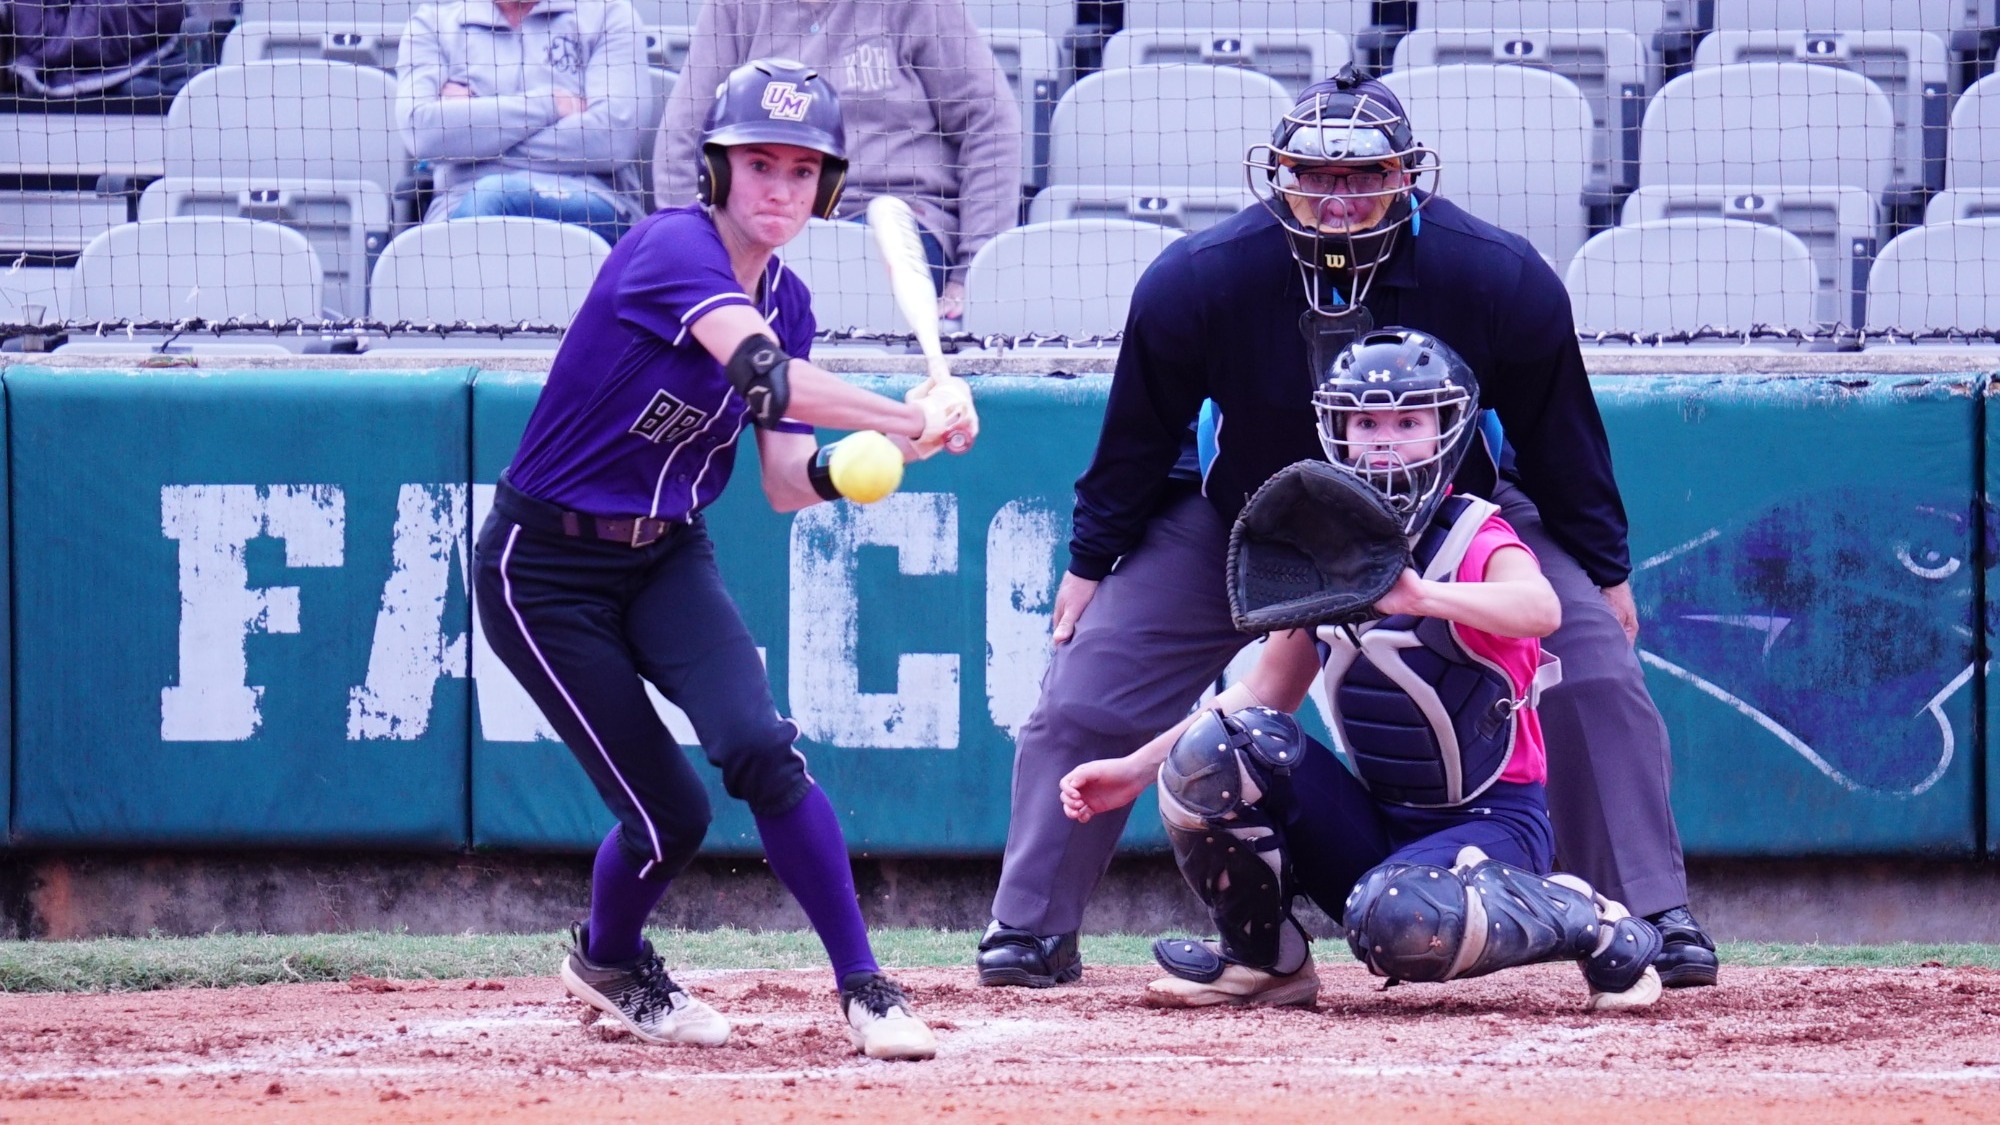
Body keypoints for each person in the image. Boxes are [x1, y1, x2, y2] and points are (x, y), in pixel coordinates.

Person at [975, 70, 1719, 992]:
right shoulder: (1199, 280)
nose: (1336, 199)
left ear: (1410, 178)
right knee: (1086, 687)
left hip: (1454, 522)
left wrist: (1605, 571)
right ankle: (1035, 927)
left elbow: (1562, 434)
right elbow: (1137, 432)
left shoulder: (1497, 275)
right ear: (1276, 176)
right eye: (1312, 177)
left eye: (1362, 176)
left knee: (1598, 668)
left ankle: (1646, 915)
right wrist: (1092, 561)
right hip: (1246, 520)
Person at [471, 57, 975, 1059]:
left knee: (759, 745)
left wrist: (889, 452)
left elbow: (789, 483)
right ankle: (609, 959)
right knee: (671, 816)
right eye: (758, 164)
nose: (778, 188)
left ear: (824, 187)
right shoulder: (669, 248)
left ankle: (867, 989)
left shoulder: (790, 301)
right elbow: (758, 371)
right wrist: (904, 409)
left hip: (667, 557)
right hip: (545, 571)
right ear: (719, 172)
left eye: (800, 169)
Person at [1059, 329, 1663, 1011]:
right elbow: (1257, 695)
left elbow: (1539, 606)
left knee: (1392, 921)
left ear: (1448, 428)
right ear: (1337, 434)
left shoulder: (1475, 532)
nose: (1385, 441)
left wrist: (1423, 597)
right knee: (1221, 745)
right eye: (1367, 423)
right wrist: (1136, 769)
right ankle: (1266, 961)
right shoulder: (1329, 552)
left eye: (1409, 421)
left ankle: (1589, 915)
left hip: (1496, 825)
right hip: (1380, 825)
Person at [652, 0, 1022, 318]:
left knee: (820, 271)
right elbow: (682, 138)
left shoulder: (916, 6)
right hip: (769, 221)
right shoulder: (735, 6)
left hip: (896, 220)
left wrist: (970, 275)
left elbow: (989, 120)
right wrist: (697, 254)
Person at [399, 0, 651, 245]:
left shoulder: (609, 14)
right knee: (487, 200)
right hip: (458, 204)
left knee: (494, 195)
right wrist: (550, 104)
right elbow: (422, 133)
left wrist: (473, 137)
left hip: (593, 203)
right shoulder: (432, 24)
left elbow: (614, 139)